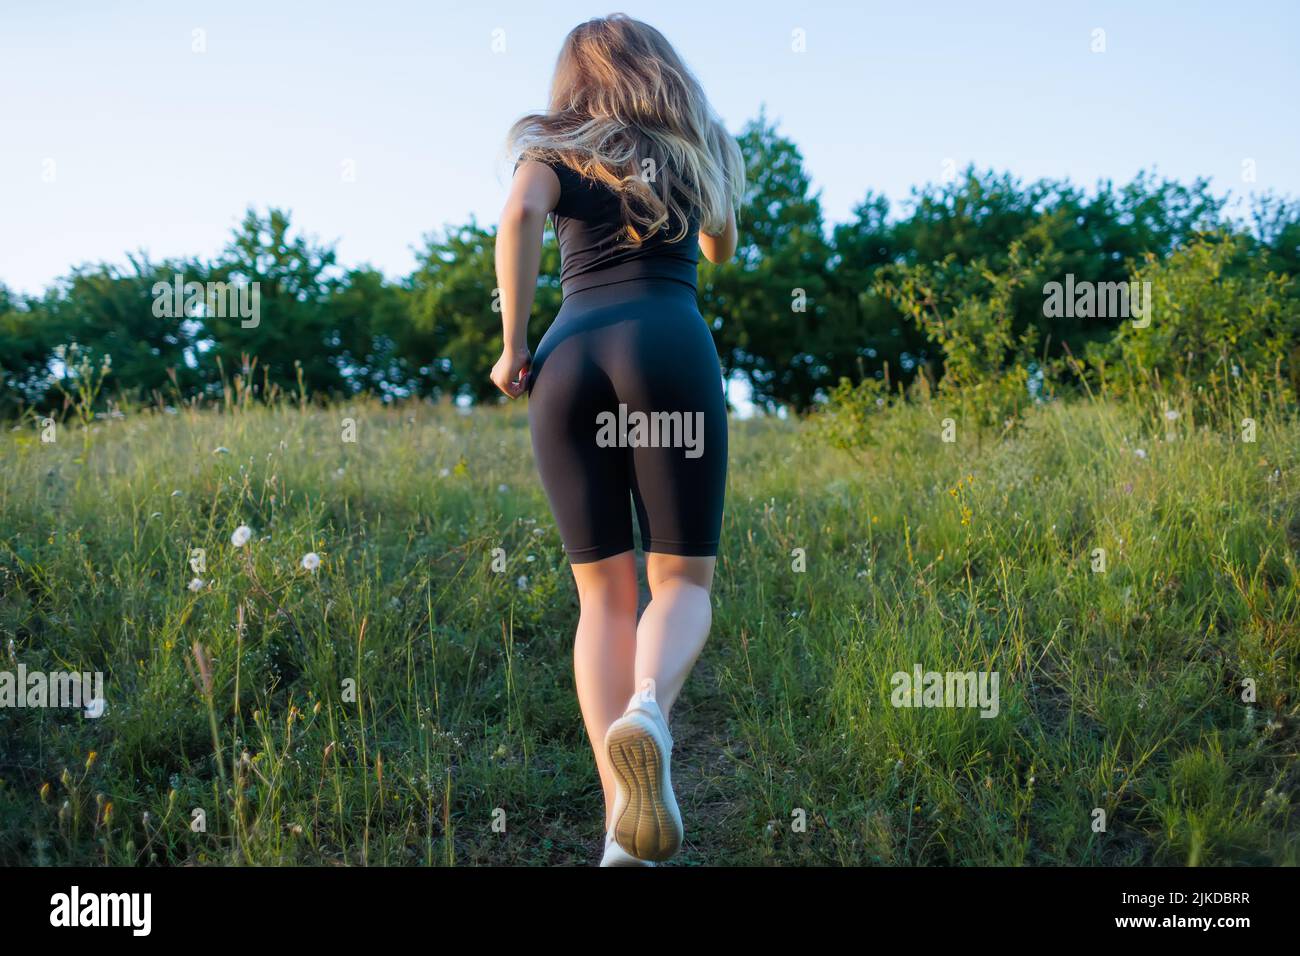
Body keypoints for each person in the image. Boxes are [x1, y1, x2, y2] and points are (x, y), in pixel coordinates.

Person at [492, 14, 743, 865]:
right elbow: (722, 244)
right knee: (680, 578)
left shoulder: (553, 144)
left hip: (568, 359)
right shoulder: (698, 145)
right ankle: (649, 711)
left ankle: (620, 836)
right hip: (668, 344)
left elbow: (521, 212)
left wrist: (515, 342)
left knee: (603, 596)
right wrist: (694, 163)